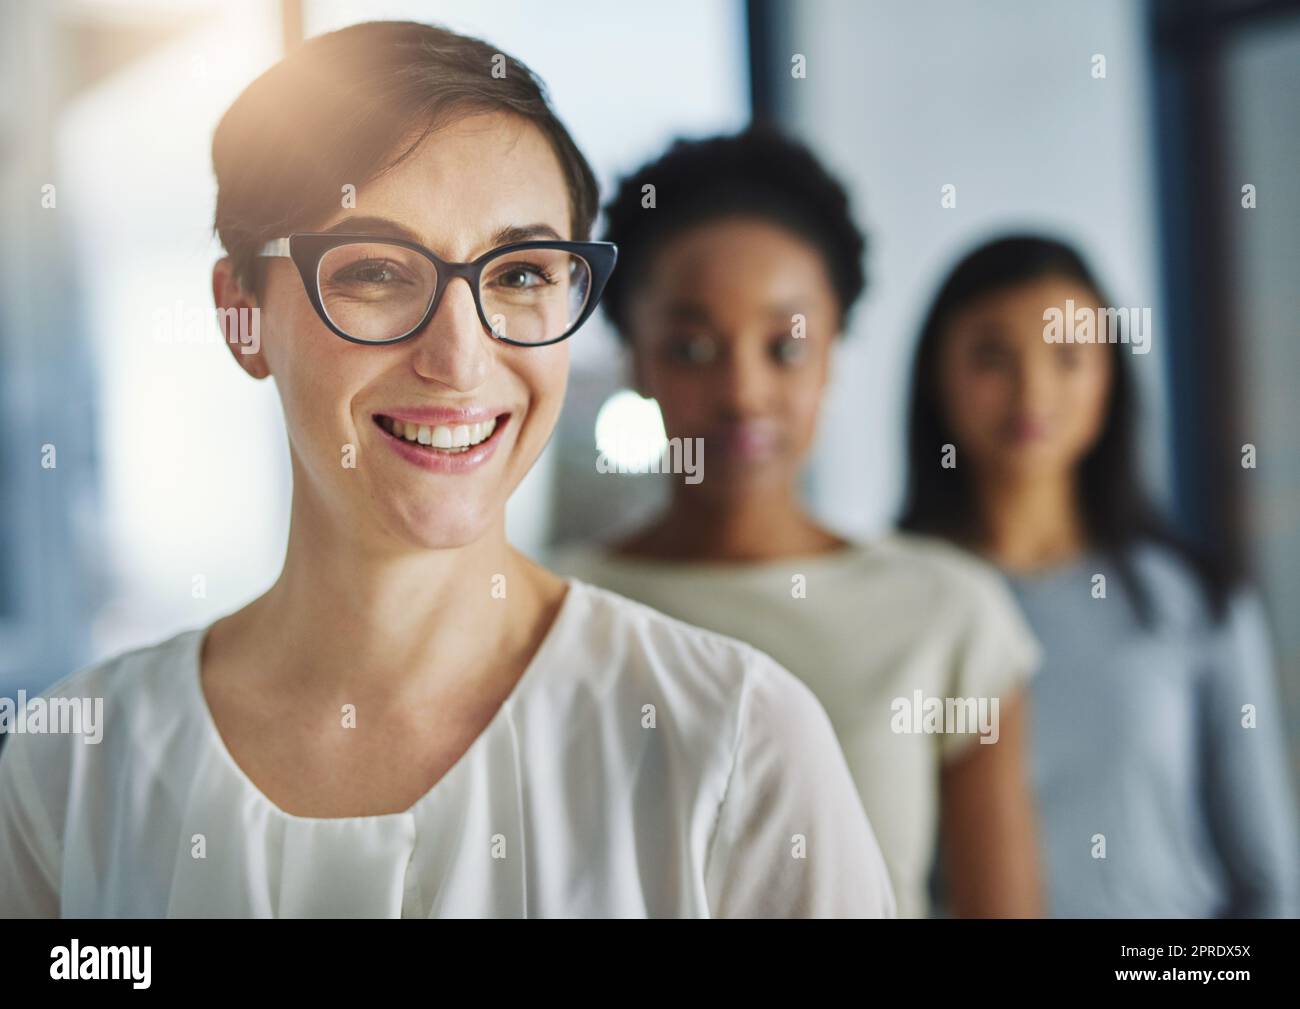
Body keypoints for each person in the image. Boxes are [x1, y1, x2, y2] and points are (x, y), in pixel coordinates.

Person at [0, 22, 895, 919]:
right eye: (380, 271)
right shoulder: (74, 766)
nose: (460, 360)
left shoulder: (733, 741)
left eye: (520, 275)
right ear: (244, 316)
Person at [551, 128, 1043, 918]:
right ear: (635, 357)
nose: (743, 391)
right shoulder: (545, 613)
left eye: (785, 346)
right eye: (692, 345)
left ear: (834, 352)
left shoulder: (947, 612)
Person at [899, 233, 1300, 917]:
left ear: (1110, 373)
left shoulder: (1195, 601)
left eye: (1067, 355)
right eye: (992, 354)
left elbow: (1269, 880)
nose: (1032, 389)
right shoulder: (891, 600)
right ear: (939, 373)